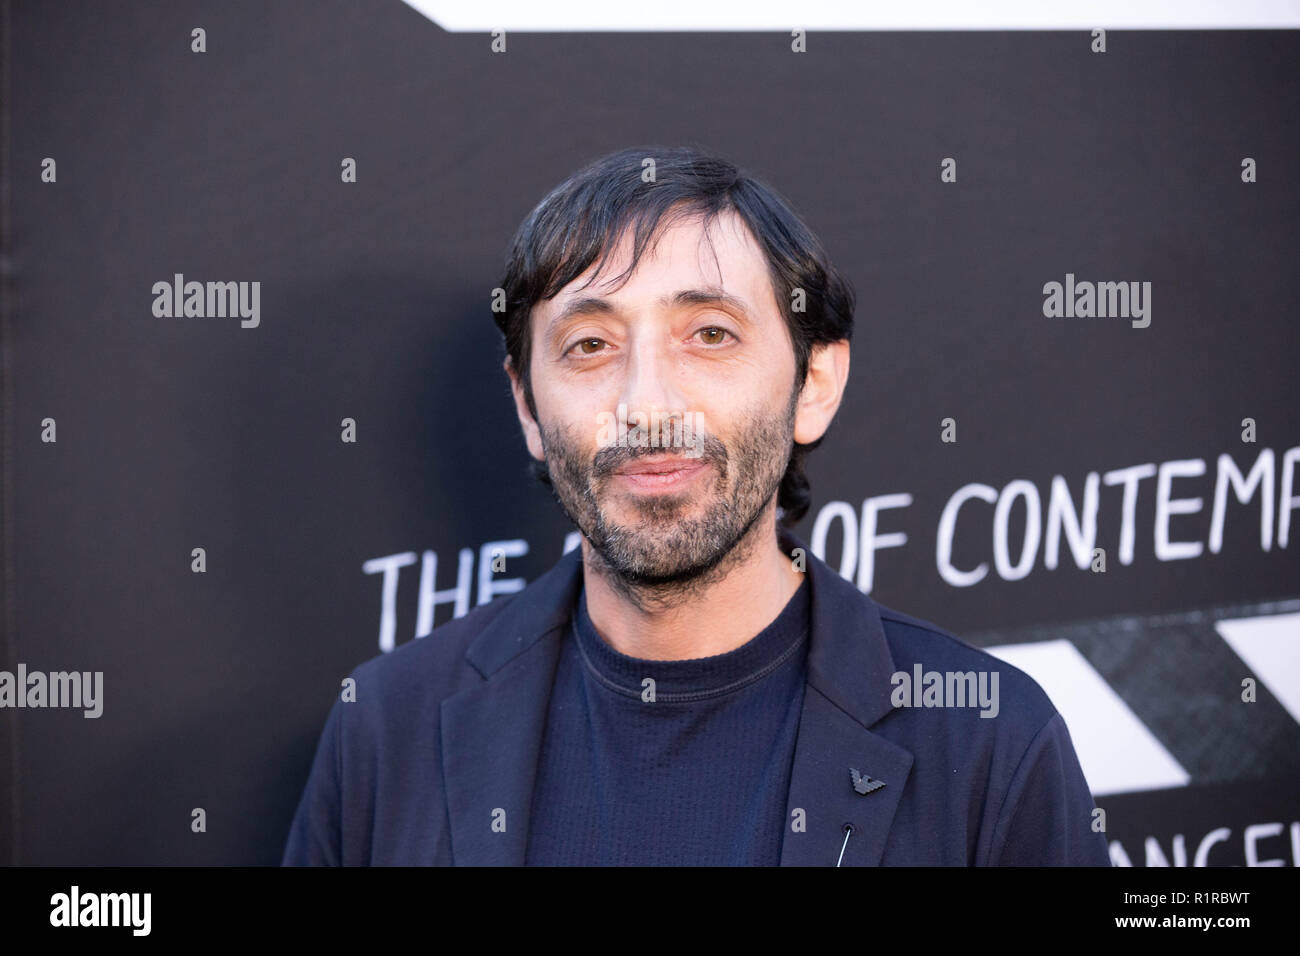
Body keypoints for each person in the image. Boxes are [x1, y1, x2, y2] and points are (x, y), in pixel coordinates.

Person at [282, 145, 1111, 866]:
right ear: (529, 408)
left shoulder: (988, 741)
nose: (648, 404)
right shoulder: (387, 731)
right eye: (591, 346)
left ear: (813, 383)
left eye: (709, 334)